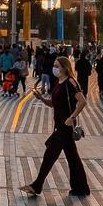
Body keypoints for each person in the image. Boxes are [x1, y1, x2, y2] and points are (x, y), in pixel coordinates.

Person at [21, 55, 89, 197]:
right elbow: (54, 104)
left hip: (66, 126)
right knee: (72, 157)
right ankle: (81, 188)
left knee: (50, 154)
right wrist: (41, 99)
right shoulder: (58, 82)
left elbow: (82, 101)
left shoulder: (71, 82)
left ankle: (37, 185)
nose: (55, 68)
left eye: (57, 66)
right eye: (54, 65)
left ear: (65, 67)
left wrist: (72, 117)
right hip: (59, 125)